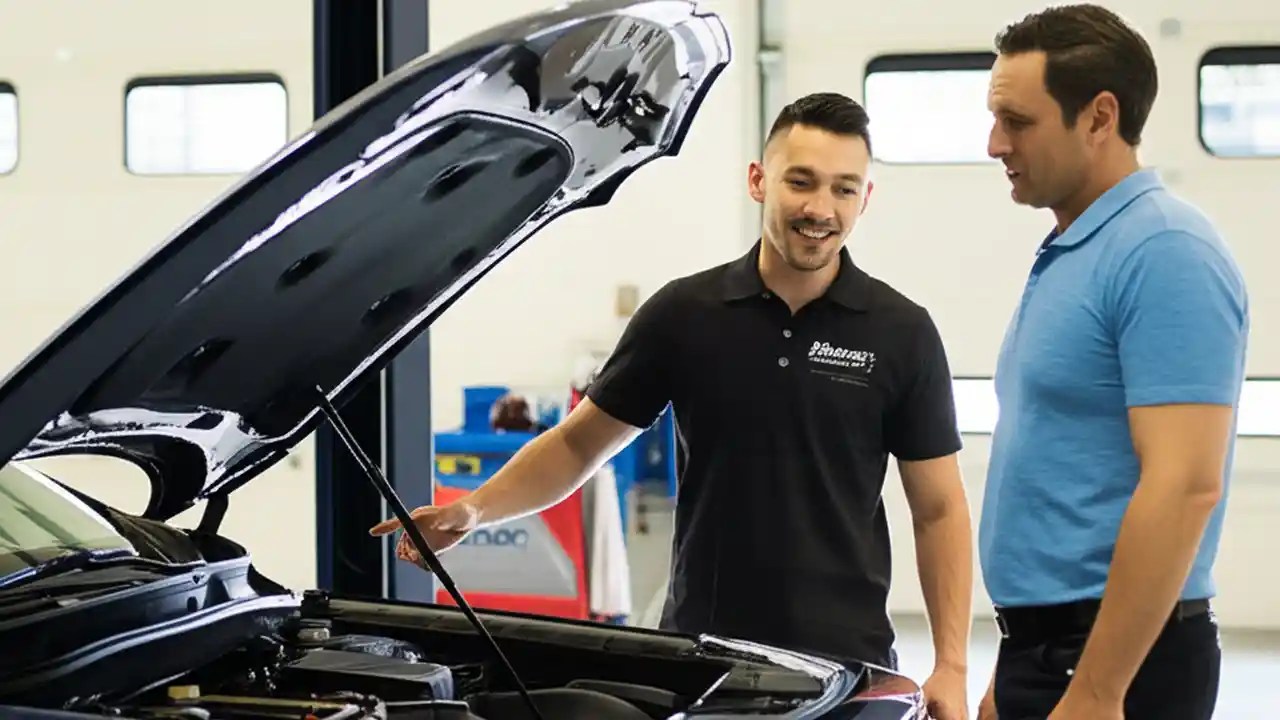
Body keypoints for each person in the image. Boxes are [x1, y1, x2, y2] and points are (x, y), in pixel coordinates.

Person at [371, 93, 976, 719]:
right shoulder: (686, 315)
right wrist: (475, 508)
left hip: (848, 667)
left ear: (865, 199)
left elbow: (938, 509)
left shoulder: (901, 333)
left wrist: (953, 664)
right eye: (801, 181)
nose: (820, 209)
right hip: (702, 659)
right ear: (758, 180)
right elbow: (580, 444)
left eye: (844, 189)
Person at [976, 5, 1248, 720]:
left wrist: (1098, 688)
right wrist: (1014, 668)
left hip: (1120, 666)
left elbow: (1186, 483)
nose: (994, 143)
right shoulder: (1076, 249)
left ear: (1099, 117)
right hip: (1049, 650)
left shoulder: (1164, 250)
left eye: (1017, 121)